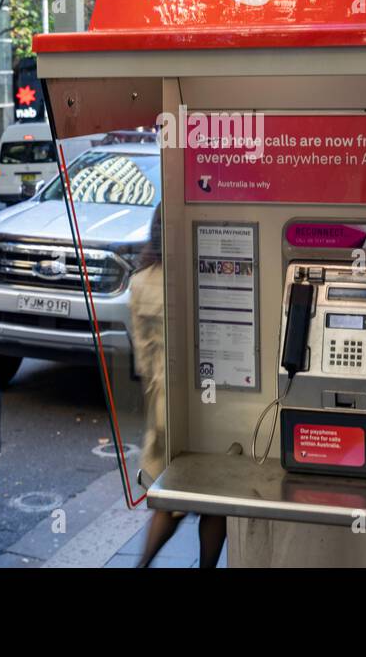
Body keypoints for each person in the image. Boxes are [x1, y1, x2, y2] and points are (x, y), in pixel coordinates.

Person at [132, 208, 227, 567]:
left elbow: (142, 358)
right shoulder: (199, 278)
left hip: (165, 404)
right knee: (215, 500)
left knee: (172, 496)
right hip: (213, 404)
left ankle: (142, 564)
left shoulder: (141, 283)